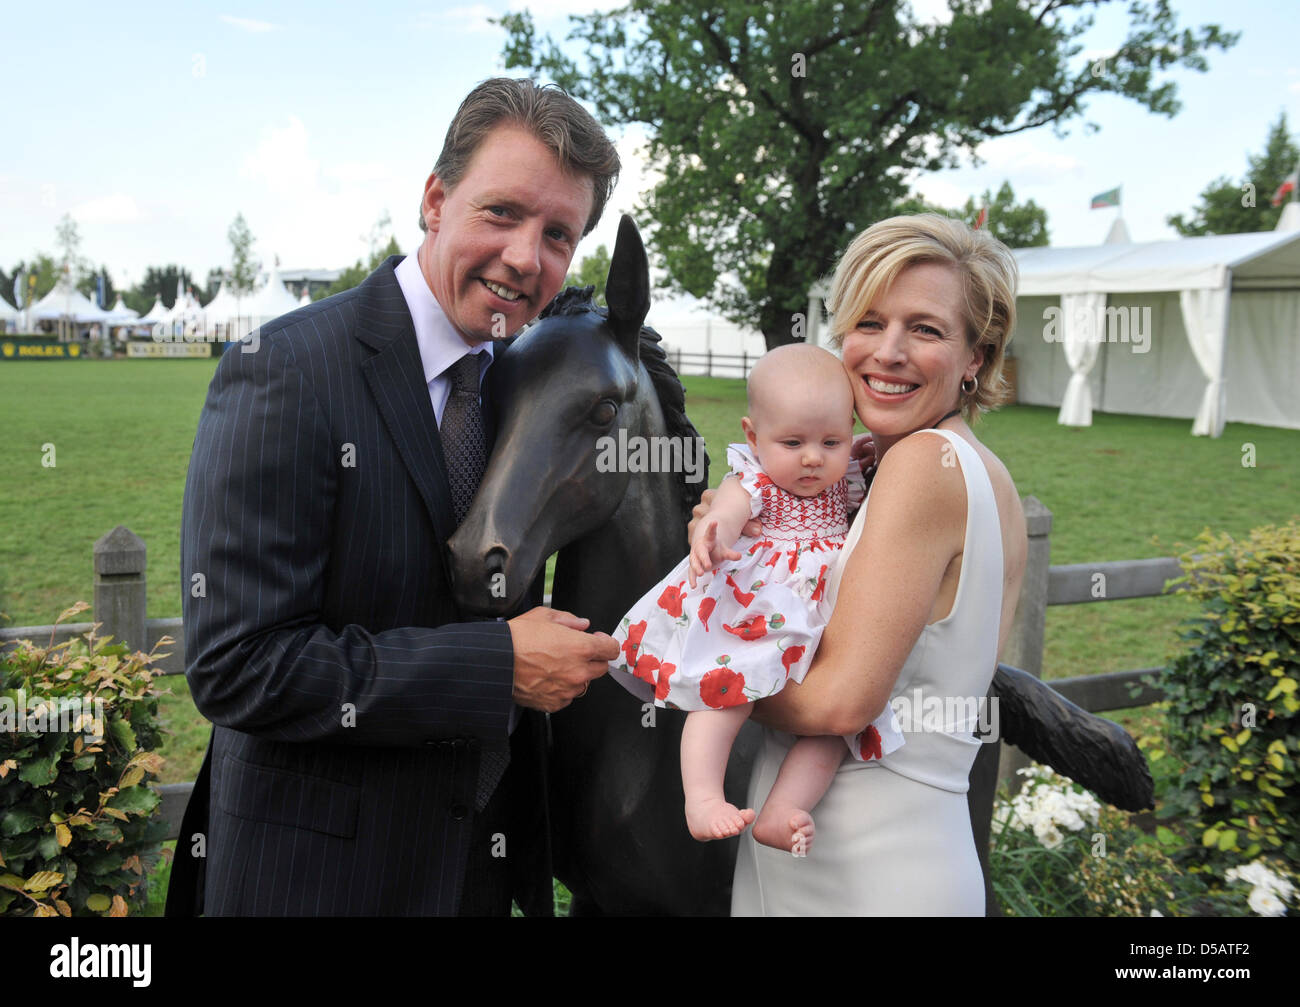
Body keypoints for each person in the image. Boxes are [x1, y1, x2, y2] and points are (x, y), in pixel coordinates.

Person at [167, 78, 622, 917]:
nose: (527, 256)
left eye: (557, 234)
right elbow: (239, 668)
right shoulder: (287, 369)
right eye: (502, 213)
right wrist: (499, 665)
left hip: (476, 878)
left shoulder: (524, 387)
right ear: (435, 200)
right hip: (314, 882)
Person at [723, 214, 1029, 915]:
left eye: (925, 330)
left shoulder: (923, 465)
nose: (887, 352)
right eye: (868, 321)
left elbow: (841, 701)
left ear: (976, 357)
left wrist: (689, 676)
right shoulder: (981, 475)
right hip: (895, 843)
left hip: (861, 863)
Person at [608, 344, 903, 852]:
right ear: (753, 435)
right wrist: (713, 535)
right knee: (726, 696)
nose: (813, 457)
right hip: (762, 617)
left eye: (830, 440)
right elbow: (727, 508)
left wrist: (861, 453)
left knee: (838, 725)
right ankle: (701, 798)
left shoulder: (846, 474)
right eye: (793, 441)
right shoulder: (756, 478)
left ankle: (785, 809)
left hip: (832, 621)